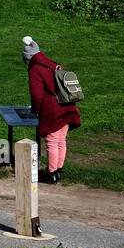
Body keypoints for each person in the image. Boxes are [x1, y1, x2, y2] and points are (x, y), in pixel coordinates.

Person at [22, 36, 81, 183]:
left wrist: (36, 109)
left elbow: (37, 94)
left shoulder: (35, 68)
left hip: (52, 110)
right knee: (61, 140)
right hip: (67, 105)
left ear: (29, 58)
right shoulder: (52, 63)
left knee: (52, 142)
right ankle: (59, 170)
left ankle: (51, 173)